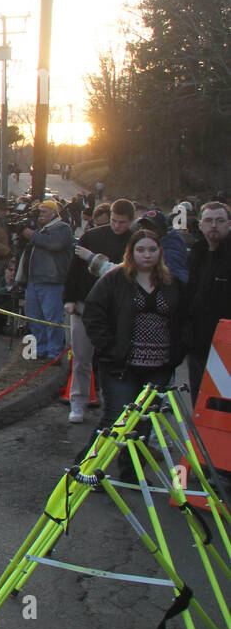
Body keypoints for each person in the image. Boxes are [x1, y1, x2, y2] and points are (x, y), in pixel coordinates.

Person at [84, 230, 188, 483]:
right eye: (141, 250)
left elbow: (185, 320)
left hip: (158, 367)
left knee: (142, 425)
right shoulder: (115, 279)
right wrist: (108, 347)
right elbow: (94, 312)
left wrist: (177, 353)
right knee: (113, 421)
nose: (147, 255)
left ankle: (132, 473)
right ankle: (85, 471)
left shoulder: (171, 284)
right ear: (131, 253)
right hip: (121, 365)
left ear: (160, 252)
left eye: (152, 249)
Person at [62, 198, 135, 423]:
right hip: (85, 304)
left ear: (131, 221)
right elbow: (74, 268)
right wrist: (69, 298)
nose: (116, 226)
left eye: (122, 222)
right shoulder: (92, 236)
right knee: (81, 357)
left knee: (113, 359)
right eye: (114, 221)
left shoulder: (134, 241)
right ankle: (78, 402)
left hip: (116, 310)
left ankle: (113, 404)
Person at [186, 202, 231, 403]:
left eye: (220, 220)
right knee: (200, 404)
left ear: (228, 224)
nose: (214, 225)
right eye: (209, 220)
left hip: (226, 345)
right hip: (197, 345)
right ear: (201, 225)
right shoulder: (197, 253)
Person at [20, 199, 74, 360]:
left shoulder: (62, 228)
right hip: (33, 280)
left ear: (54, 213)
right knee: (33, 316)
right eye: (38, 212)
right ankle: (41, 348)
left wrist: (31, 235)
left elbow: (55, 244)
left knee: (52, 318)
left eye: (44, 212)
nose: (40, 216)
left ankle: (54, 352)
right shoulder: (40, 229)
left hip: (52, 280)